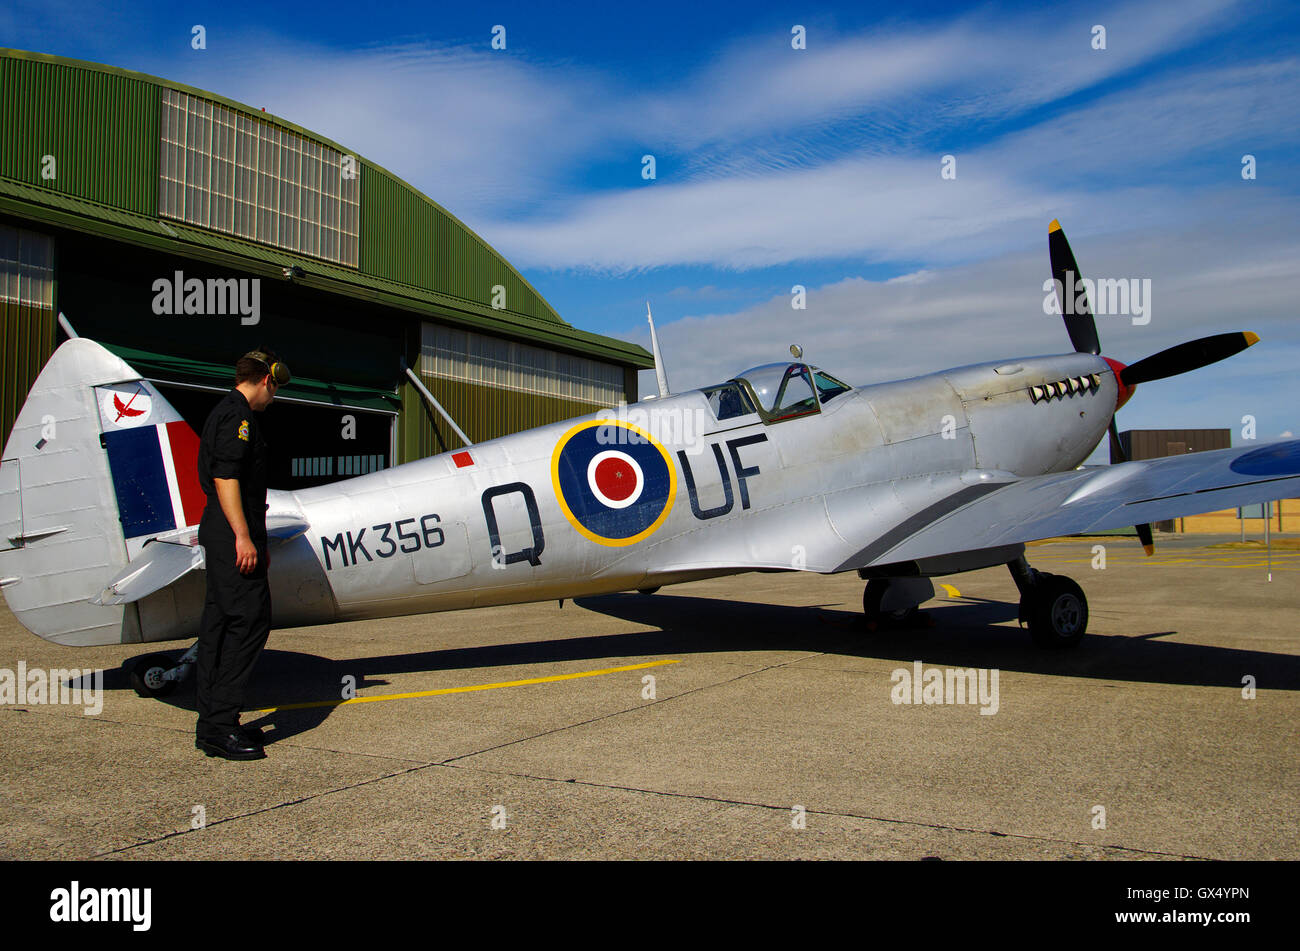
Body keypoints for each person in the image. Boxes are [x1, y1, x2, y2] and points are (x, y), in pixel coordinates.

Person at [193, 348, 290, 760]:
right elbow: (225, 477)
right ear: (267, 380)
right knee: (249, 622)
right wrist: (243, 536)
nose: (274, 398)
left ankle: (212, 722)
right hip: (232, 534)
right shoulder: (239, 418)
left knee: (220, 623)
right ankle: (220, 725)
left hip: (217, 532)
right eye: (276, 389)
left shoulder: (224, 412)